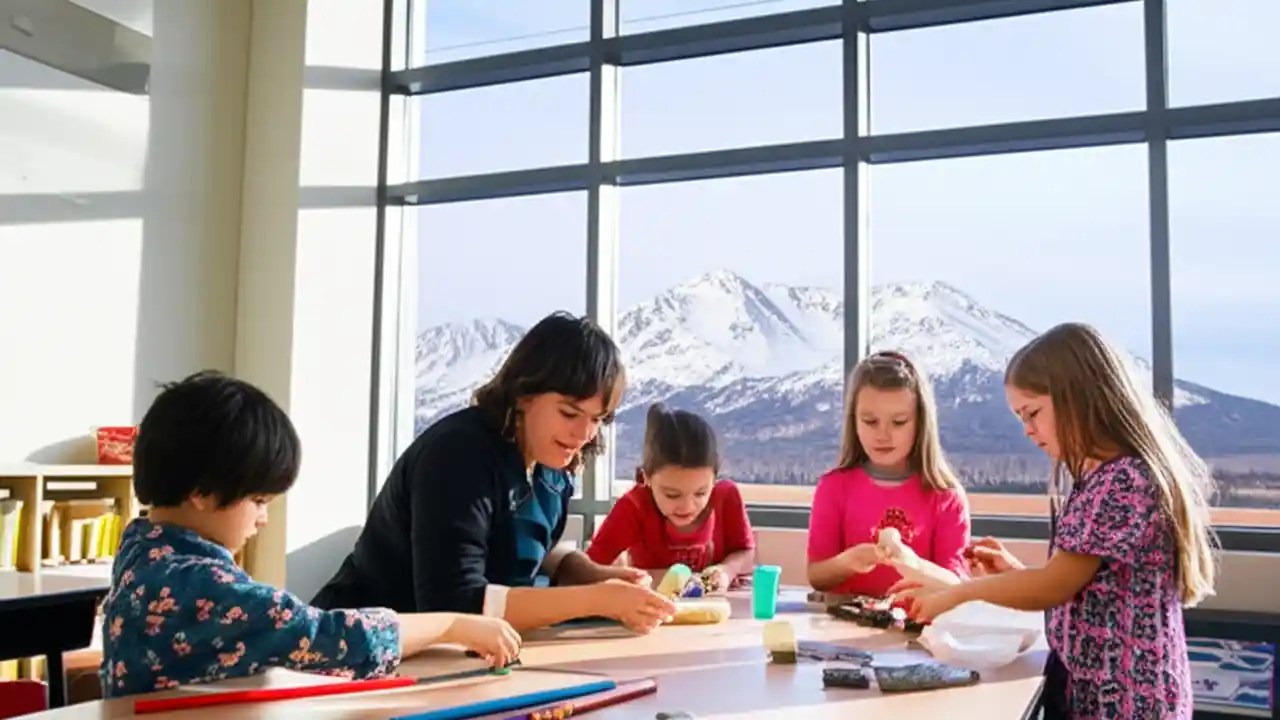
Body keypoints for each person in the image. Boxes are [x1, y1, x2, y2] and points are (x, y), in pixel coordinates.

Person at [99, 372, 520, 698]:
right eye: (259, 500)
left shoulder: (142, 547)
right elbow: (331, 637)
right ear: (202, 493)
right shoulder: (195, 584)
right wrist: (453, 624)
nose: (262, 520)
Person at [895, 323, 1217, 720]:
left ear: (1079, 398)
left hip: (1125, 703)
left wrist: (960, 594)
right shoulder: (1108, 478)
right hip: (1104, 695)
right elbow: (1084, 585)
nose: (1027, 430)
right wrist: (1016, 574)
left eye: (1032, 413)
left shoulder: (1122, 482)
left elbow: (1052, 586)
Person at [312, 312, 676, 634]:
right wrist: (596, 599)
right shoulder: (458, 456)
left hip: (451, 656)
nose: (583, 435)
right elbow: (454, 603)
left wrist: (583, 570)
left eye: (597, 420)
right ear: (523, 394)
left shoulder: (552, 464)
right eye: (569, 413)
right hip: (359, 650)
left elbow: (516, 544)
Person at [806, 350, 971, 597]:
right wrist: (847, 562)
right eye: (870, 421)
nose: (883, 435)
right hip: (844, 628)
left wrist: (913, 565)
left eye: (899, 422)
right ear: (854, 421)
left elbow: (956, 585)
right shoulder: (834, 487)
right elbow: (817, 576)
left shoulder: (945, 495)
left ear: (920, 423)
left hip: (919, 630)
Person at [586, 403, 756, 591]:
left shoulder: (726, 496)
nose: (687, 506)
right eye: (672, 495)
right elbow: (589, 567)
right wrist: (619, 574)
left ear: (715, 479)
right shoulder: (634, 506)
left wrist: (727, 570)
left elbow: (745, 552)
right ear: (647, 478)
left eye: (701, 493)